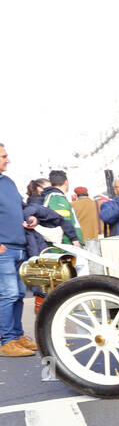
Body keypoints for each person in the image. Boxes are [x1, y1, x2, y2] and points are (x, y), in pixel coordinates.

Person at [0, 144, 38, 356]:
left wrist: (29, 218)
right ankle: (6, 342)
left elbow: (21, 208)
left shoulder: (8, 182)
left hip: (18, 246)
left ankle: (16, 336)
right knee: (8, 294)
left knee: (18, 295)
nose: (8, 160)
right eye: (4, 156)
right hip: (3, 250)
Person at [41, 170, 83, 245]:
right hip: (66, 245)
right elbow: (63, 219)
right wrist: (74, 239)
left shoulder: (52, 196)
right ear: (66, 182)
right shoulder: (57, 197)